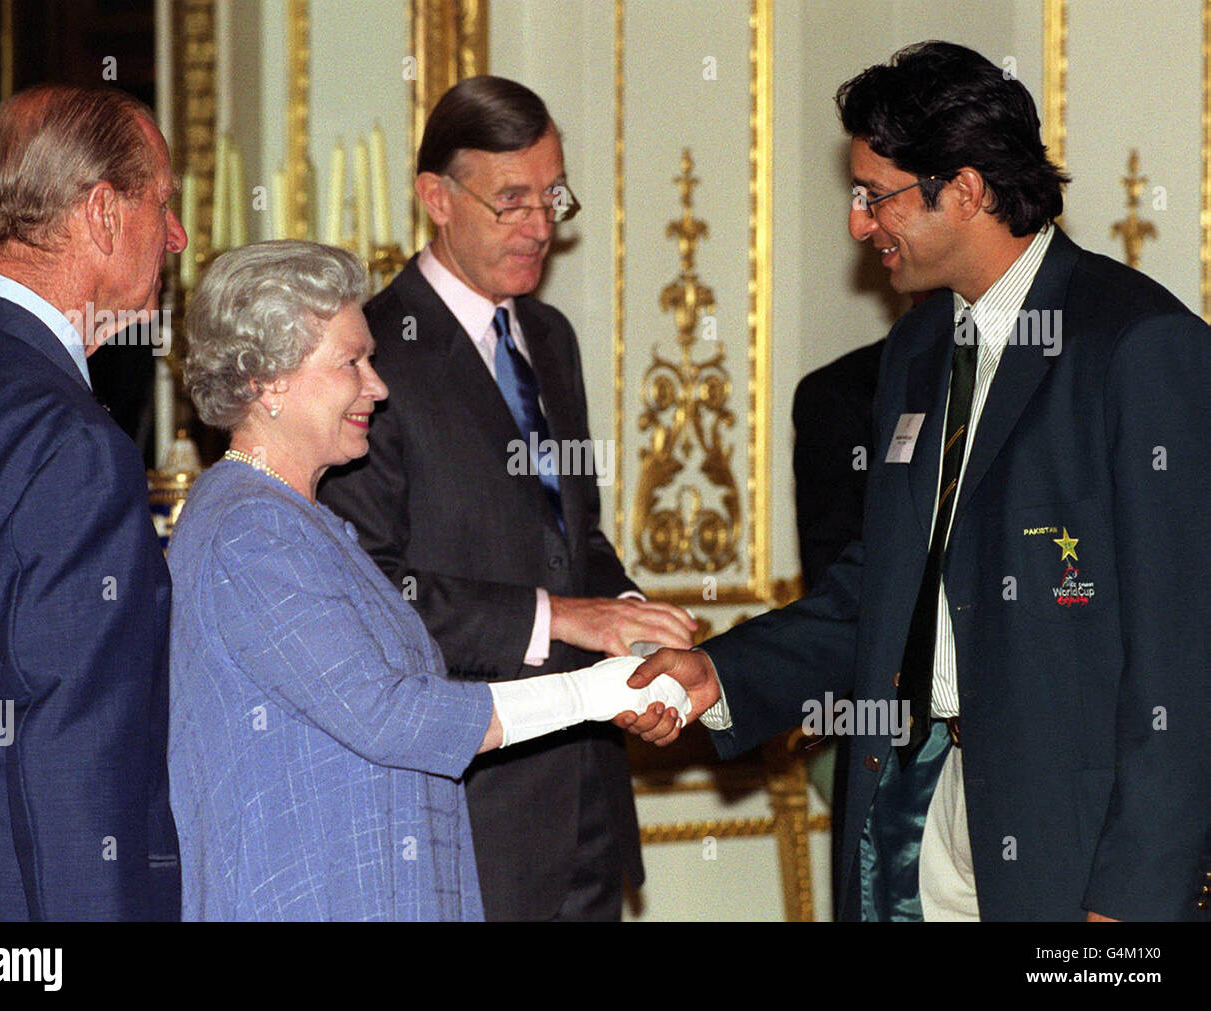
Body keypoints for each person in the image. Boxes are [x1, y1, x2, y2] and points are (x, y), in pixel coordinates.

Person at [621, 41, 1211, 921]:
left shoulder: (1138, 347)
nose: (861, 224)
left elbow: (1185, 662)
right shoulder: (919, 348)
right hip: (918, 814)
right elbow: (885, 588)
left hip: (1072, 848)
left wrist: (1131, 901)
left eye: (876, 195)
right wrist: (721, 671)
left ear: (966, 189)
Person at [167, 239, 689, 921]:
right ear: (269, 381)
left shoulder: (301, 519)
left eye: (372, 360)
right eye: (351, 362)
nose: (377, 386)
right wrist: (595, 690)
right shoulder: (250, 532)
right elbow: (394, 716)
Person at [317, 76, 697, 921]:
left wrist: (628, 616)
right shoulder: (371, 353)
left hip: (588, 796)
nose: (541, 225)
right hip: (468, 808)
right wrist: (560, 616)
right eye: (512, 200)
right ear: (435, 198)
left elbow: (574, 538)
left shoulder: (549, 337)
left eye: (553, 195)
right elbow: (372, 592)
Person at [0, 84, 186, 920]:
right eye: (165, 204)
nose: (177, 237)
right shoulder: (70, 447)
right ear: (104, 213)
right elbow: (78, 779)